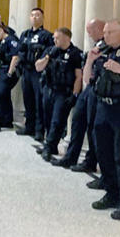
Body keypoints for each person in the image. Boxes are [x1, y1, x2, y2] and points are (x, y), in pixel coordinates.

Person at [89, 20, 120, 220]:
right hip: (103, 108)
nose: (105, 35)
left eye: (109, 32)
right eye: (105, 32)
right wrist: (90, 61)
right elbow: (87, 80)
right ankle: (111, 192)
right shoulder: (104, 51)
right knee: (104, 153)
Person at [51, 19, 105, 171]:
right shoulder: (97, 46)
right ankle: (70, 157)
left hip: (98, 89)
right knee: (77, 121)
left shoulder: (107, 47)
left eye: (91, 30)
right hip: (89, 87)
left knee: (92, 127)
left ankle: (90, 161)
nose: (88, 34)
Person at [34, 27, 83, 162]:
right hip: (49, 89)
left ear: (67, 38)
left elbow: (78, 76)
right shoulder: (50, 50)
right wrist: (48, 57)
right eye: (54, 37)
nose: (54, 40)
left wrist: (75, 94)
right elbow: (38, 67)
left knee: (57, 120)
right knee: (48, 118)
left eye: (57, 38)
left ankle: (49, 147)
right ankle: (51, 145)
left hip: (63, 92)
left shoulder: (75, 53)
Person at [16, 8, 54, 142]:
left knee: (39, 101)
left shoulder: (47, 35)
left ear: (43, 17)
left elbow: (50, 54)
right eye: (32, 15)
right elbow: (20, 51)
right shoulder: (25, 34)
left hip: (38, 73)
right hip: (26, 71)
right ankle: (29, 126)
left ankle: (39, 130)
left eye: (38, 15)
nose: (35, 18)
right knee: (28, 99)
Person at [0, 23, 20, 132]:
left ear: (1, 30)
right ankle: (7, 120)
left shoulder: (11, 40)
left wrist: (10, 73)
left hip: (7, 71)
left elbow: (15, 57)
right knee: (4, 95)